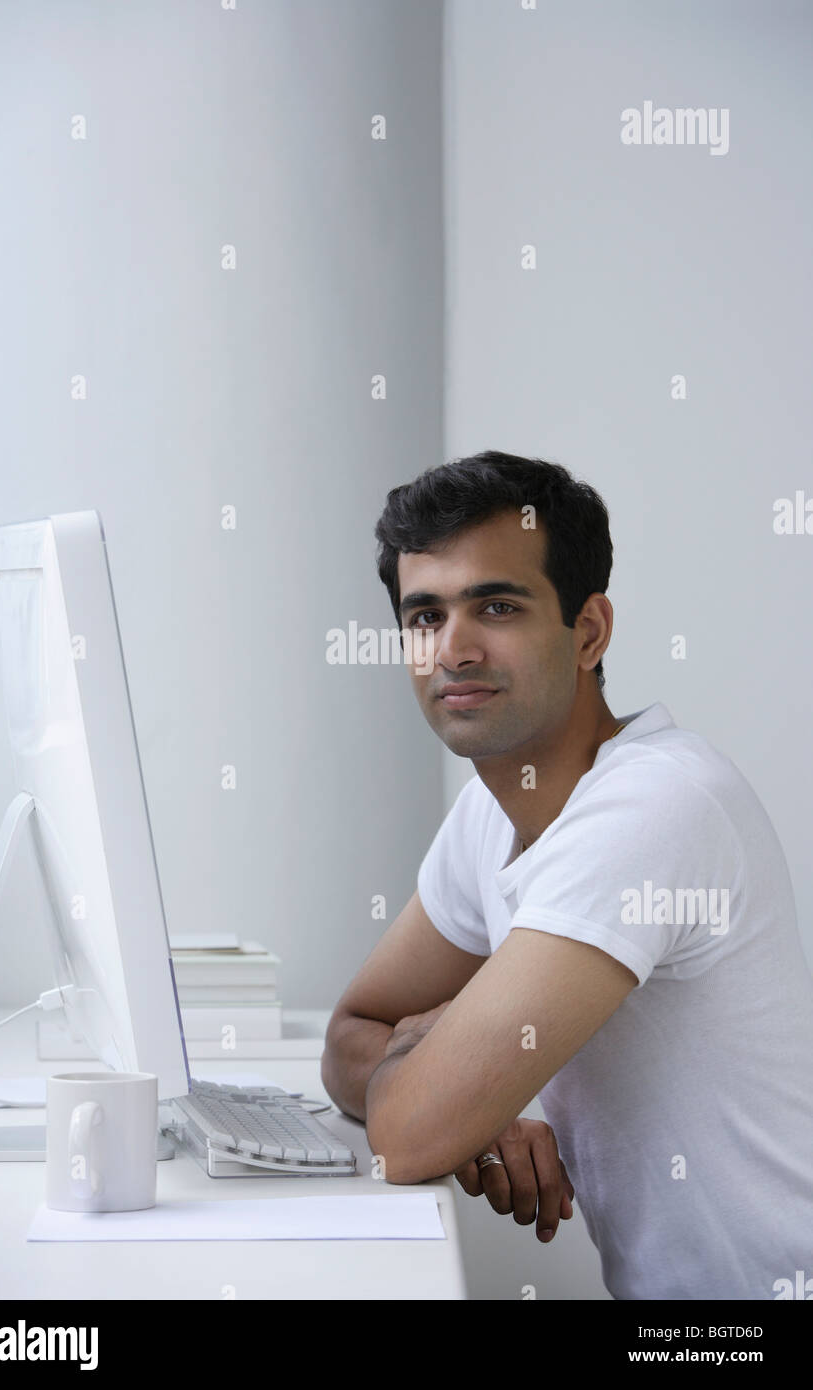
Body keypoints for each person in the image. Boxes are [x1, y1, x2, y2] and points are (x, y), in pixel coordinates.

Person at [320, 449, 813, 1300]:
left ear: (588, 632)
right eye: (424, 616)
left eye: (497, 607)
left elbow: (404, 1132)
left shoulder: (655, 806)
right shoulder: (494, 810)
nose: (453, 649)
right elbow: (353, 1034)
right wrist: (465, 1099)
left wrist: (444, 1095)